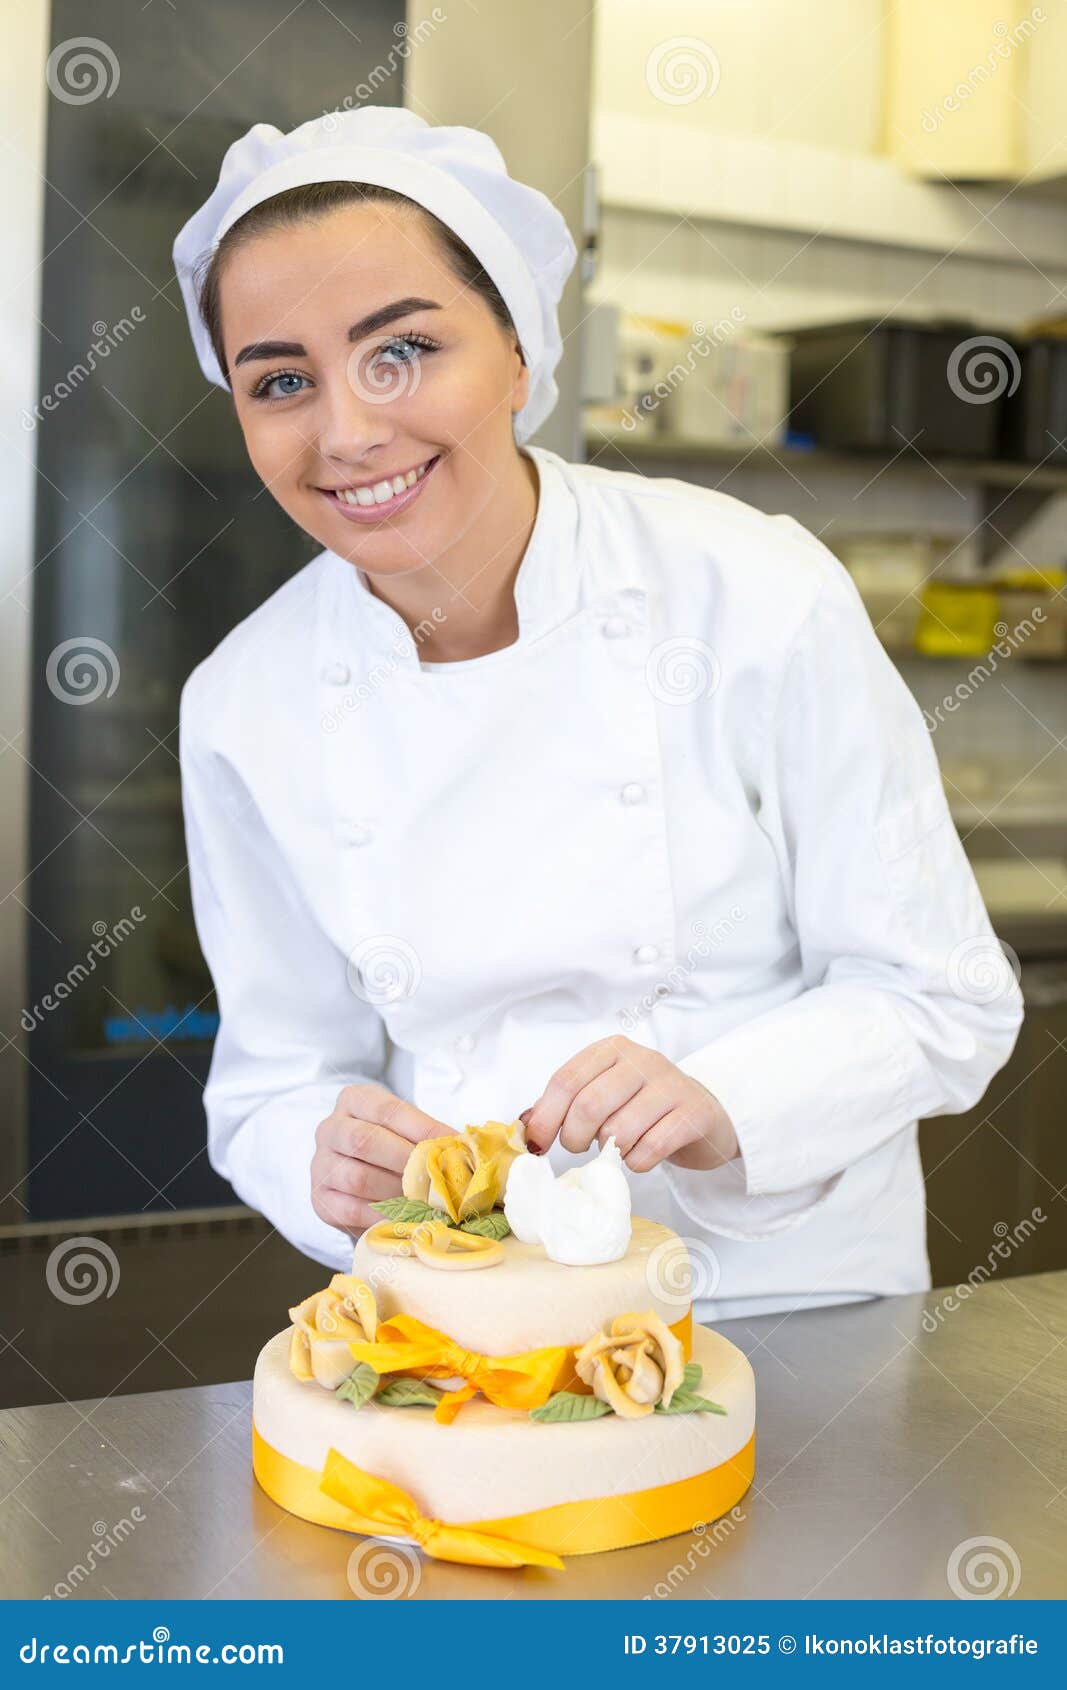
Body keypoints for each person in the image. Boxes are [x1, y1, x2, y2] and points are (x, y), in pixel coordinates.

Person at [172, 106, 1022, 1320]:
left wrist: (727, 1095)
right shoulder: (242, 704)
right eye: (281, 380)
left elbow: (943, 996)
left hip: (787, 1314)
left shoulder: (751, 591)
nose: (348, 429)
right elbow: (271, 1086)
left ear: (517, 352)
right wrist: (322, 1157)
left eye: (402, 349)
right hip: (472, 1327)